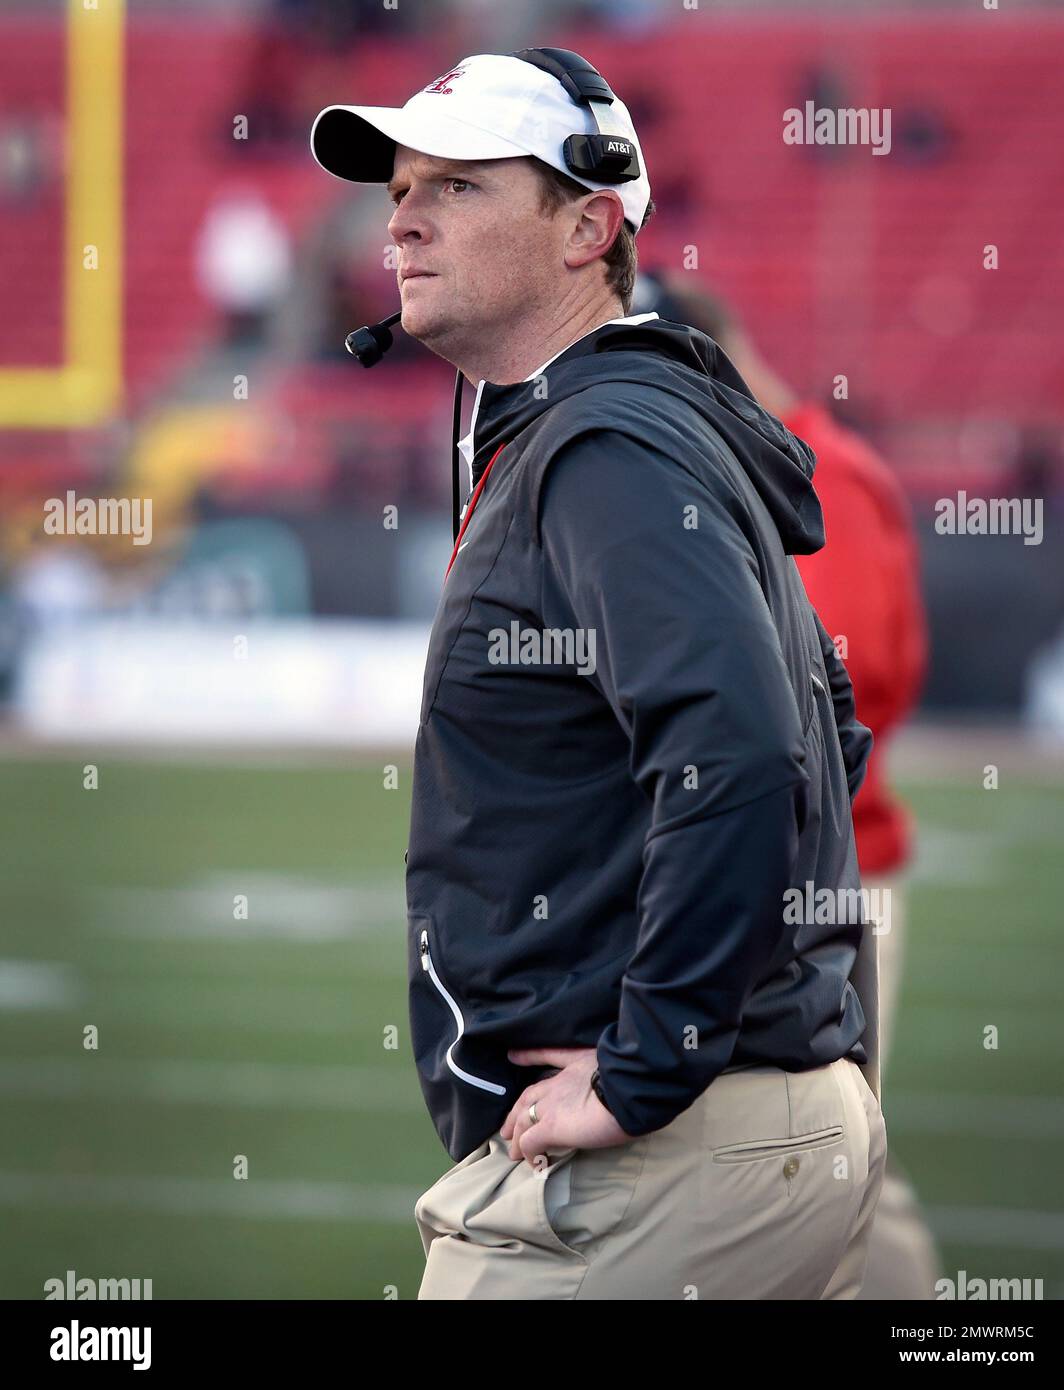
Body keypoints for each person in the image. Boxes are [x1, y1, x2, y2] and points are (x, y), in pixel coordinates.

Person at [311, 47, 886, 1300]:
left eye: (458, 187)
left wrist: (650, 1062)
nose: (401, 215)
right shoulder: (620, 425)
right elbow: (825, 738)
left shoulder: (607, 444)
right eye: (401, 186)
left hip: (664, 1166)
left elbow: (740, 750)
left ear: (589, 226)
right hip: (740, 1136)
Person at [632, 270, 939, 1299]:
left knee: (817, 1174)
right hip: (778, 868)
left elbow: (848, 688)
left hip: (821, 878)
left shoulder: (820, 476)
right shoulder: (751, 467)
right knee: (837, 1172)